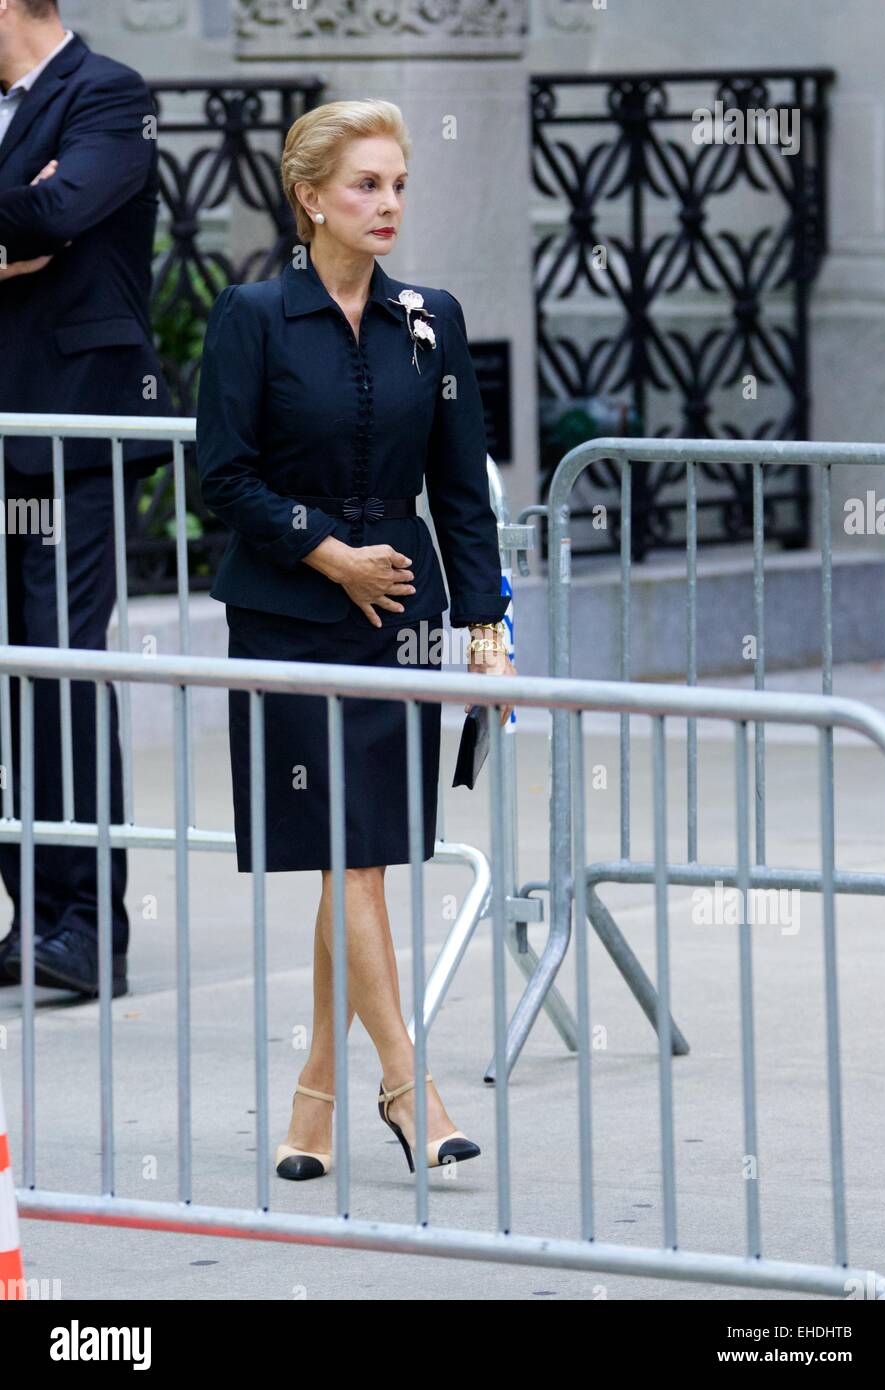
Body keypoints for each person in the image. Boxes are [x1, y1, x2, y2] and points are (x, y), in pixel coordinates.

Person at [196, 98, 516, 1179]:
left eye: (398, 184)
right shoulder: (252, 315)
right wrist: (325, 552)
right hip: (289, 618)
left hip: (402, 625)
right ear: (310, 197)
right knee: (356, 858)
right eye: (366, 185)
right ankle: (407, 1086)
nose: (387, 204)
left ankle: (312, 1104)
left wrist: (484, 625)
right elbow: (223, 478)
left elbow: (459, 490)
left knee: (364, 858)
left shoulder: (429, 315)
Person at [0, 1, 176, 997]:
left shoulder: (106, 93)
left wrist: (30, 214)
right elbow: (24, 221)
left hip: (74, 432)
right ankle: (31, 913)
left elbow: (61, 214)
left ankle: (85, 926)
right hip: (1, 434)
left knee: (62, 668)